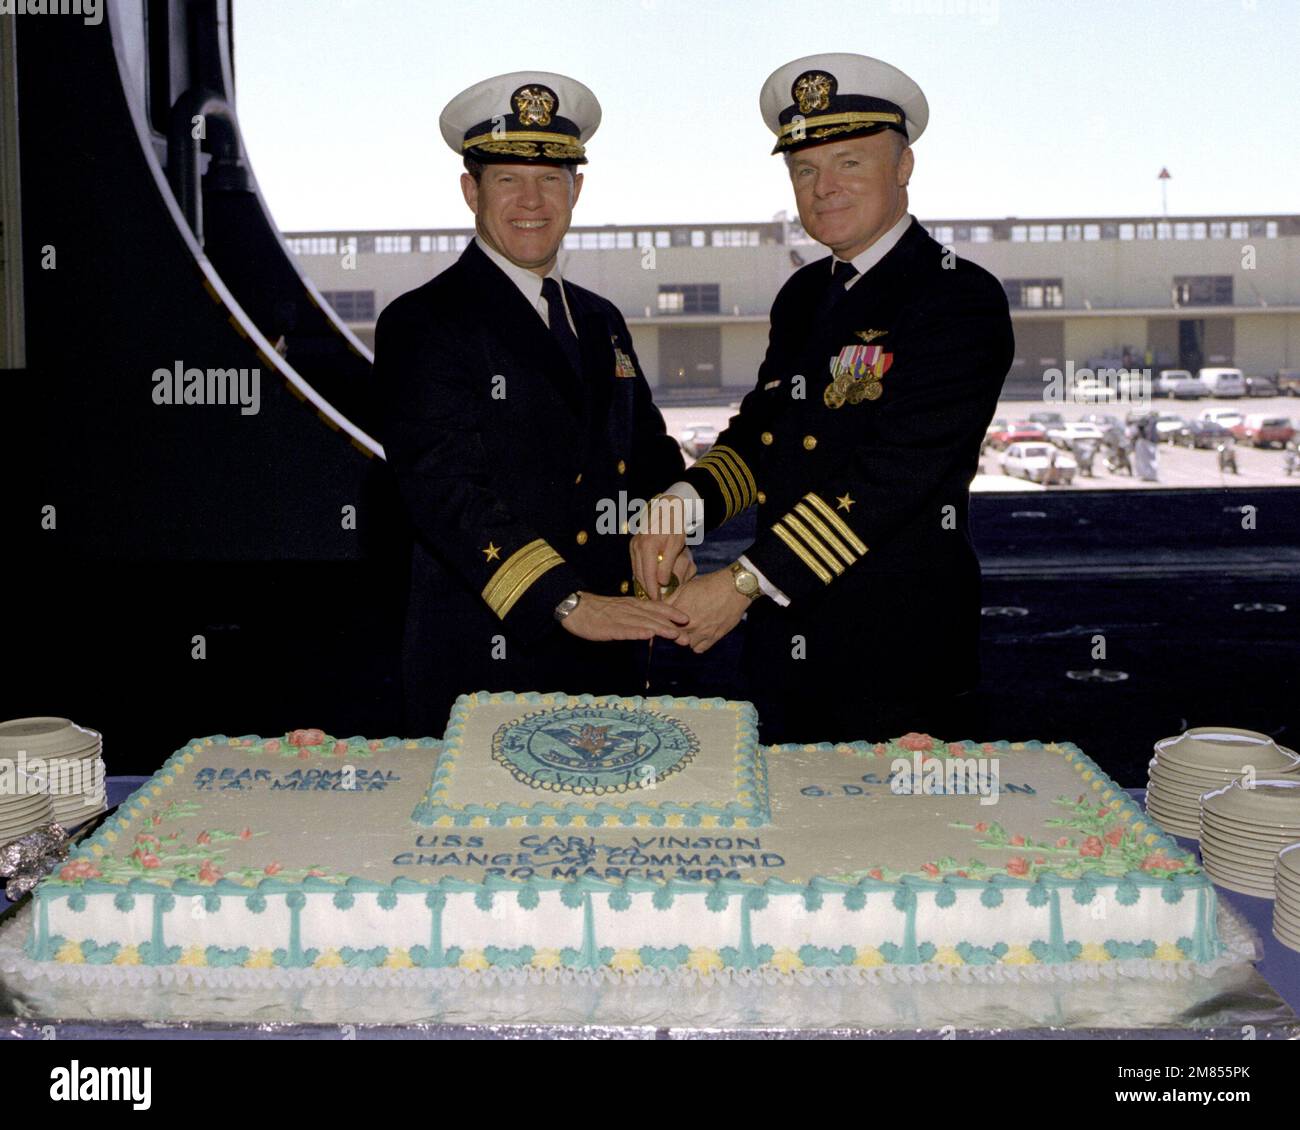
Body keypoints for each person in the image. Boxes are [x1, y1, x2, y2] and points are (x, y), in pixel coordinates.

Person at [630, 53, 1013, 743]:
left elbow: (892, 478)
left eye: (851, 163)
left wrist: (741, 584)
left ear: (904, 167)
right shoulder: (806, 295)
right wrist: (682, 504)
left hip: (897, 659)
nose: (823, 187)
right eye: (804, 170)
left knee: (901, 850)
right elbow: (767, 434)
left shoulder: (958, 298)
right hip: (784, 648)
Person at [375, 71, 691, 736]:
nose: (531, 199)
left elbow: (647, 452)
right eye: (507, 179)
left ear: (577, 190)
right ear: (471, 190)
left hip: (612, 652)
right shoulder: (424, 322)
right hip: (492, 661)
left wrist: (670, 533)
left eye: (551, 178)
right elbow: (444, 490)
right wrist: (567, 601)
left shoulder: (600, 319)